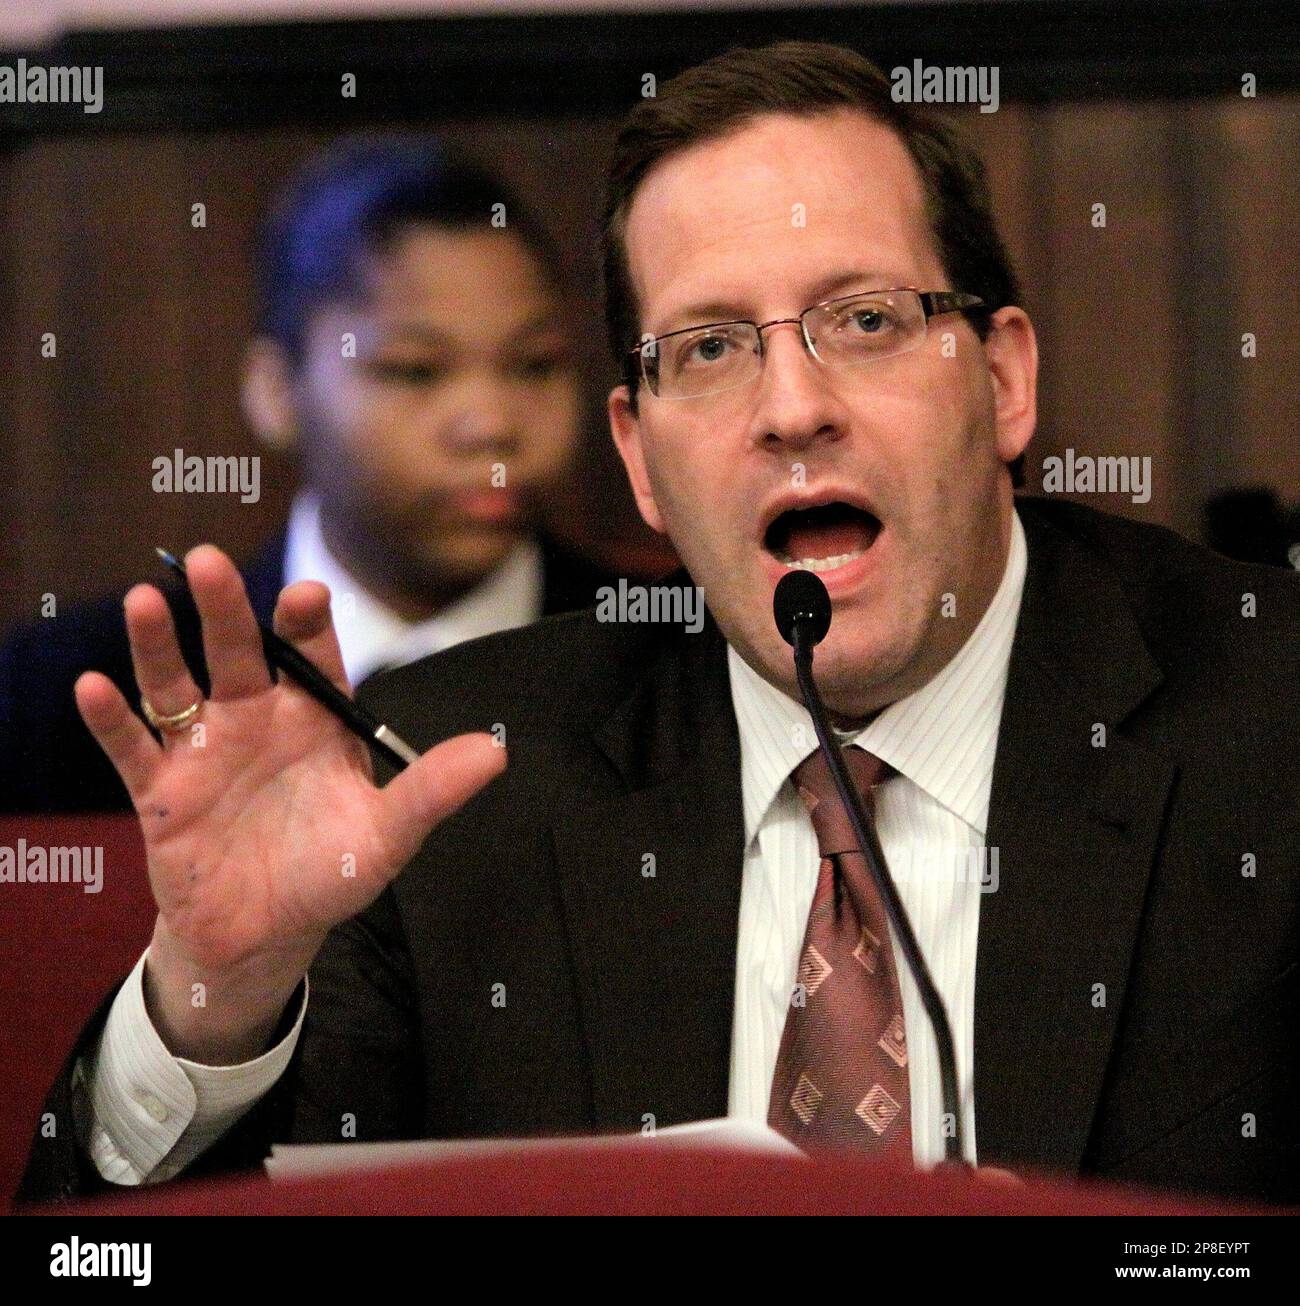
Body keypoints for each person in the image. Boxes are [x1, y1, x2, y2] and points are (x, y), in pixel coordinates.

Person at [20, 42, 1299, 1206]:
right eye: (707, 348)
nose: (792, 408)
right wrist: (217, 1003)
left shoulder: (1268, 720)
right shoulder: (446, 782)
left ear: (1004, 379)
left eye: (864, 320)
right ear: (638, 456)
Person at [0, 136, 619, 813]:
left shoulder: (659, 664)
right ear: (277, 391)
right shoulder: (75, 693)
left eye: (534, 364)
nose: (491, 424)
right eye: (415, 369)